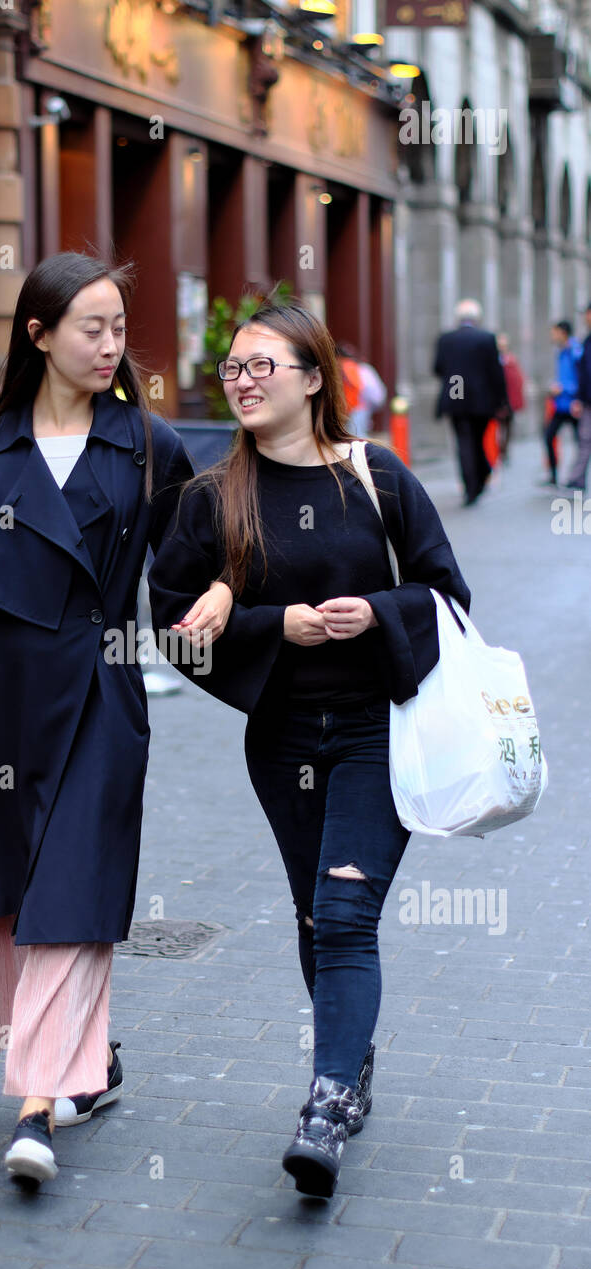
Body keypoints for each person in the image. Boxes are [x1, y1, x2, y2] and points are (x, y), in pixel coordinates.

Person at [0, 251, 232, 1185]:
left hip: (100, 689)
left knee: (77, 892)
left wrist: (220, 592)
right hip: (0, 699)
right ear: (39, 335)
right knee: (11, 903)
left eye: (119, 328)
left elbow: (193, 553)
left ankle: (35, 1112)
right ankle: (78, 1065)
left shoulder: (150, 444)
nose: (110, 345)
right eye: (91, 328)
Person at [148, 301, 470, 1200]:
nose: (243, 382)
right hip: (283, 740)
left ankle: (325, 1102)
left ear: (315, 378)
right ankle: (351, 1061)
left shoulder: (377, 476)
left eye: (263, 366)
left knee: (342, 916)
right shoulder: (213, 499)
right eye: (234, 370)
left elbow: (449, 596)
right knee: (312, 920)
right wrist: (269, 626)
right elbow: (170, 630)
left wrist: (380, 612)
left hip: (378, 730)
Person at [433, 299, 508, 506]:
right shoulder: (486, 338)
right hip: (480, 400)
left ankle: (471, 485)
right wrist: (502, 400)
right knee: (475, 440)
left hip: (457, 396)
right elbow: (496, 372)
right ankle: (479, 478)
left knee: (464, 441)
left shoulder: (446, 339)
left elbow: (438, 368)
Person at [541, 320, 582, 486]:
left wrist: (564, 388)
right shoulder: (561, 351)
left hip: (574, 405)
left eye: (554, 332)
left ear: (562, 333)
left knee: (581, 443)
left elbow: (583, 378)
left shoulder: (576, 351)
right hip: (561, 405)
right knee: (549, 436)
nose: (552, 336)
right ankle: (553, 475)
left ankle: (577, 476)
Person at [566, 303, 591, 491]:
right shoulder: (586, 341)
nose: (585, 318)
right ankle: (577, 478)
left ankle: (577, 478)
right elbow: (583, 374)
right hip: (588, 401)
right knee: (584, 439)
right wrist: (579, 398)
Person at [495, 332, 525, 463]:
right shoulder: (494, 360)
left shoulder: (511, 360)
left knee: (507, 427)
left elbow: (517, 380)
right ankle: (498, 450)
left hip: (509, 400)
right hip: (497, 399)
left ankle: (504, 450)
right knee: (497, 427)